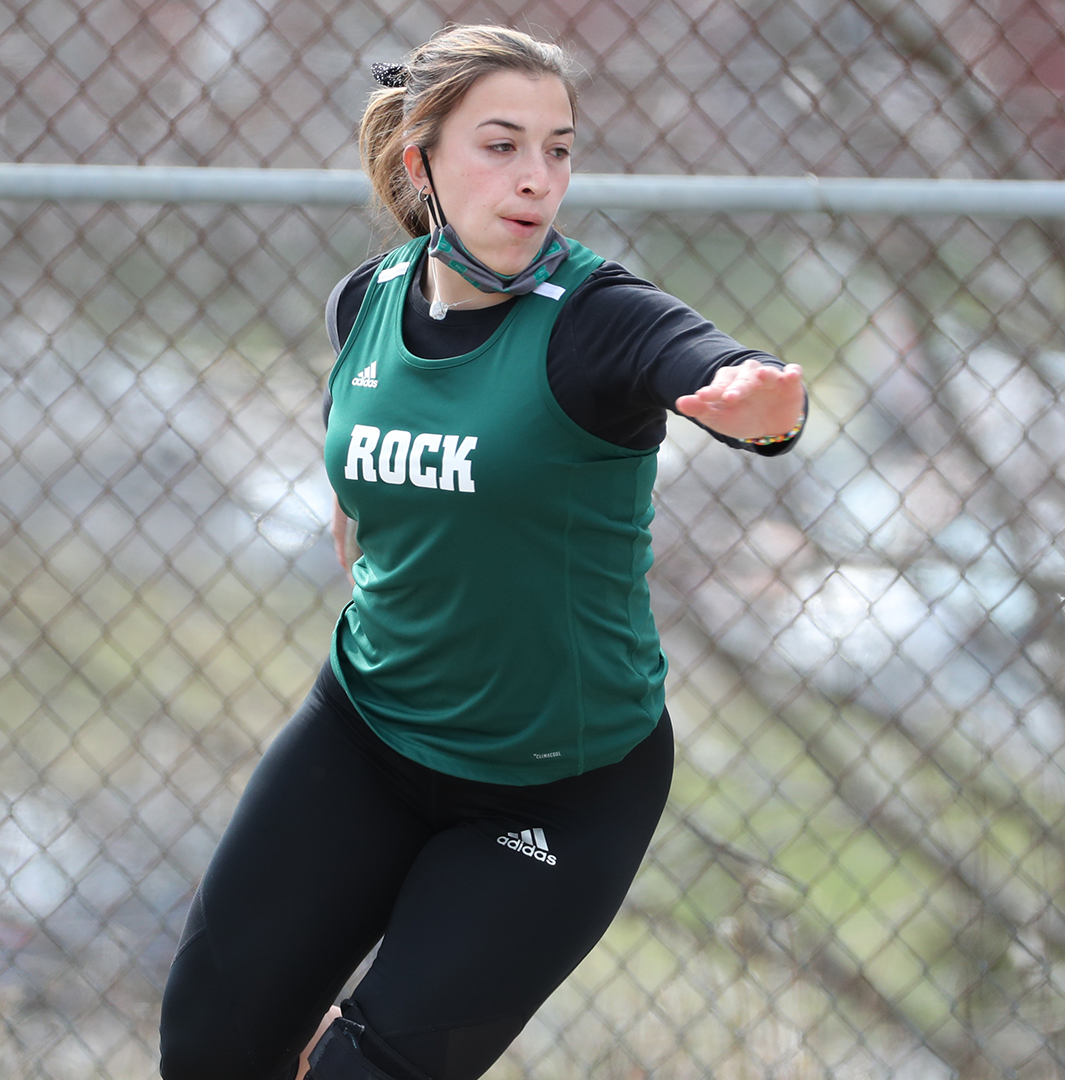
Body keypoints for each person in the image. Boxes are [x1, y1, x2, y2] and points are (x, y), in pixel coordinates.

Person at [159, 24, 807, 1080]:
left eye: (558, 148)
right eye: (501, 145)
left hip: (556, 788)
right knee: (207, 1049)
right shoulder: (368, 301)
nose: (537, 178)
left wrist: (761, 403)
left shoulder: (597, 319)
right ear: (423, 162)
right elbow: (371, 474)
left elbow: (715, 369)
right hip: (366, 737)